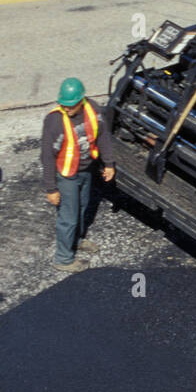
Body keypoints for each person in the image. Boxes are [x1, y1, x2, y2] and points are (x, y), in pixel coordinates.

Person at [41, 77, 115, 272]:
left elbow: (103, 137)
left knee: (82, 207)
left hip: (85, 170)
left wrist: (108, 163)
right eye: (63, 104)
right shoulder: (54, 121)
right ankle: (63, 259)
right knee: (68, 216)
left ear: (82, 101)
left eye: (71, 106)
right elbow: (47, 156)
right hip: (66, 174)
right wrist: (51, 188)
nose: (67, 109)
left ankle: (78, 240)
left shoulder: (94, 110)